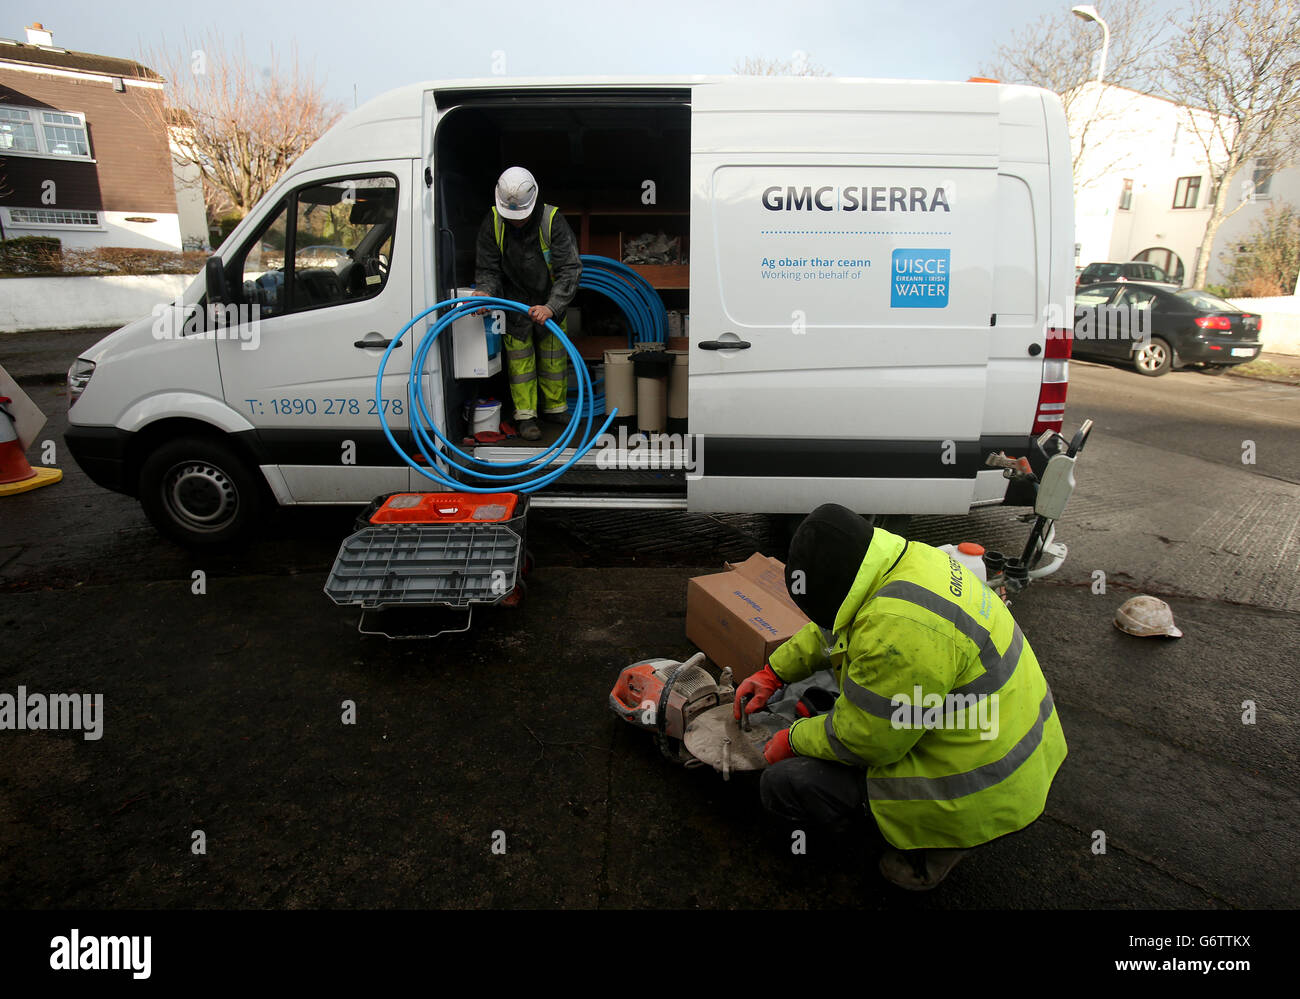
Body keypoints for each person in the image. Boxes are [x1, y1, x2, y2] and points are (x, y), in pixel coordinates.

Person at [735, 503, 1067, 890]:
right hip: (1011, 741)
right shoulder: (899, 561)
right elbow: (831, 629)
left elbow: (865, 741)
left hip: (981, 785)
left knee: (787, 782)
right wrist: (772, 673)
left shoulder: (901, 629)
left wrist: (790, 739)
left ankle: (925, 851)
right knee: (842, 701)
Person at [473, 167, 582, 442]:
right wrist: (484, 292)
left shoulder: (552, 220)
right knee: (520, 364)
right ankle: (525, 416)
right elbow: (488, 268)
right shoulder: (494, 221)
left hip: (550, 302)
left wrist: (552, 306)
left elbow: (570, 268)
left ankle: (555, 409)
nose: (517, 222)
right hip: (514, 304)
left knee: (553, 360)